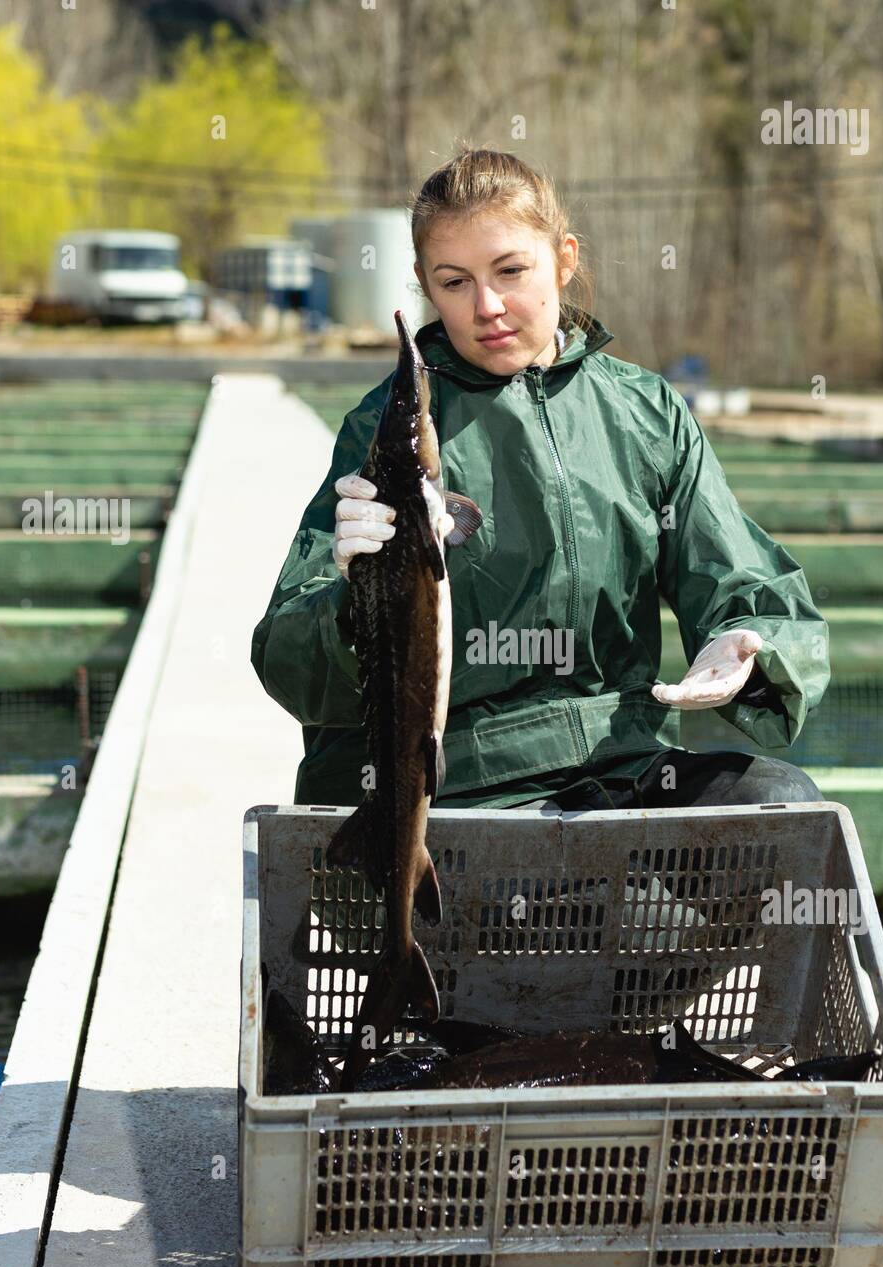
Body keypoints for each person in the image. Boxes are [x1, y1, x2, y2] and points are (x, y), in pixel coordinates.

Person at [251, 147, 829, 815]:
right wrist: (353, 599)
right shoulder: (389, 434)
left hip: (618, 764)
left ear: (564, 257)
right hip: (441, 788)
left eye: (511, 271)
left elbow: (742, 582)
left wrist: (748, 644)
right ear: (423, 284)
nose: (487, 307)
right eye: (455, 282)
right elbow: (289, 663)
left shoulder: (648, 413)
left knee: (782, 806)